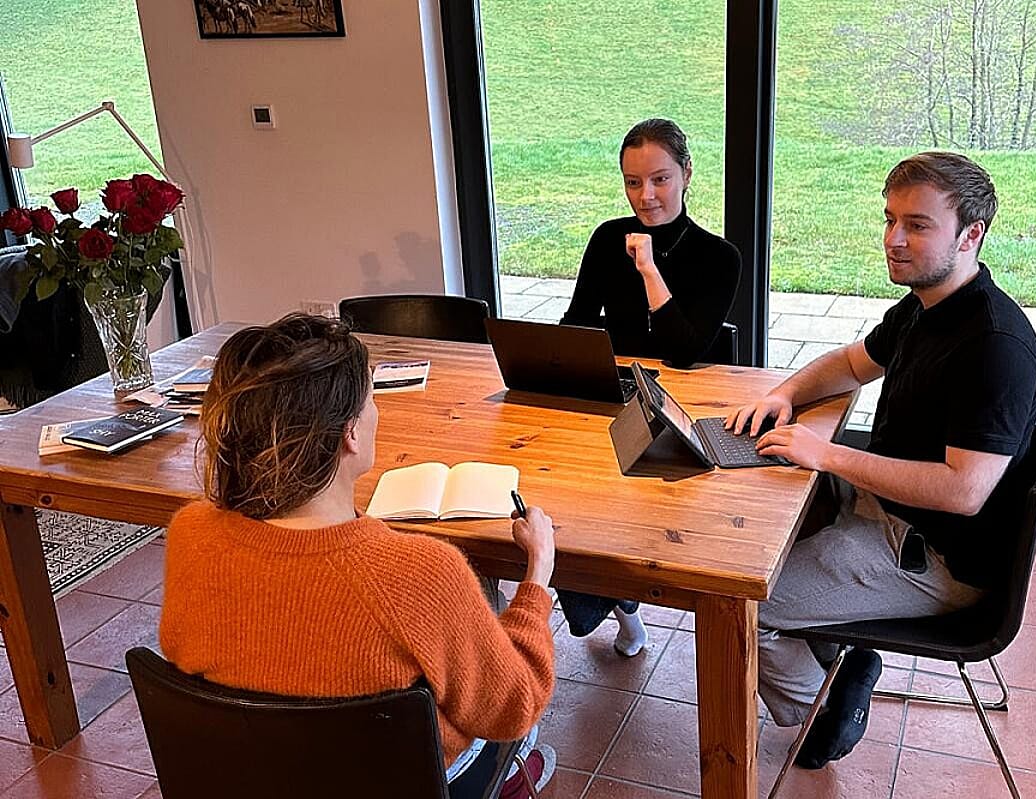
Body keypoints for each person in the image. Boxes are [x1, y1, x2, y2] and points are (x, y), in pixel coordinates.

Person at [726, 152, 1036, 769]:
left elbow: (963, 491)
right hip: (888, 511)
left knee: (743, 602)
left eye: (918, 225)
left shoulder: (995, 347)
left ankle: (817, 711)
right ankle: (834, 645)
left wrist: (829, 455)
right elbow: (850, 364)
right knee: (747, 509)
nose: (894, 240)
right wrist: (784, 394)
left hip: (934, 556)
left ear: (970, 234)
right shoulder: (927, 306)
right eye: (890, 219)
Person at [159, 314, 559, 797]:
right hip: (405, 781)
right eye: (373, 400)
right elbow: (512, 705)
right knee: (525, 731)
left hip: (256, 776)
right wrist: (537, 579)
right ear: (350, 433)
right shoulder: (422, 574)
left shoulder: (191, 532)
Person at [557, 118, 742, 657]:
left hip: (684, 406)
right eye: (634, 182)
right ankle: (613, 599)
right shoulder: (605, 237)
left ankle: (614, 597)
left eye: (660, 179)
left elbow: (685, 349)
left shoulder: (719, 258)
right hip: (615, 389)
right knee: (572, 496)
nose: (646, 195)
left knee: (622, 499)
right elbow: (578, 321)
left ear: (686, 175)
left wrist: (649, 270)